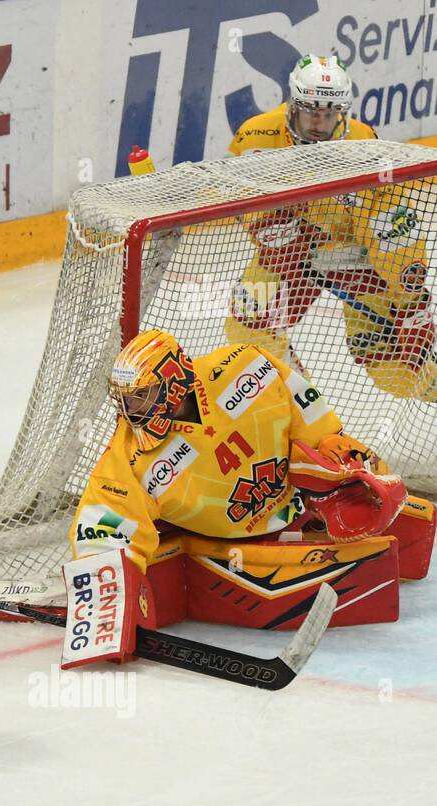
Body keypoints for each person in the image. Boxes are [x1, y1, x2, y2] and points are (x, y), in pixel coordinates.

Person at [61, 329, 412, 665]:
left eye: (141, 396)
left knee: (350, 474)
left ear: (173, 384)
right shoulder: (129, 457)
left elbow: (314, 423)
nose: (129, 409)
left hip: (297, 503)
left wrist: (338, 458)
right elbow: (104, 520)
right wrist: (109, 597)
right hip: (226, 540)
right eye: (124, 398)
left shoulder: (246, 367)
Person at [225, 53, 436, 402]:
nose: (319, 124)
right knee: (249, 320)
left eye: (328, 114)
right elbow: (235, 192)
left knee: (393, 365)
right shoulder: (258, 135)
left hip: (356, 256)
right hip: (291, 249)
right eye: (311, 111)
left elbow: (392, 225)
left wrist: (411, 305)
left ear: (342, 112)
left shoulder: (363, 144)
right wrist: (263, 226)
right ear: (293, 105)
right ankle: (305, 410)